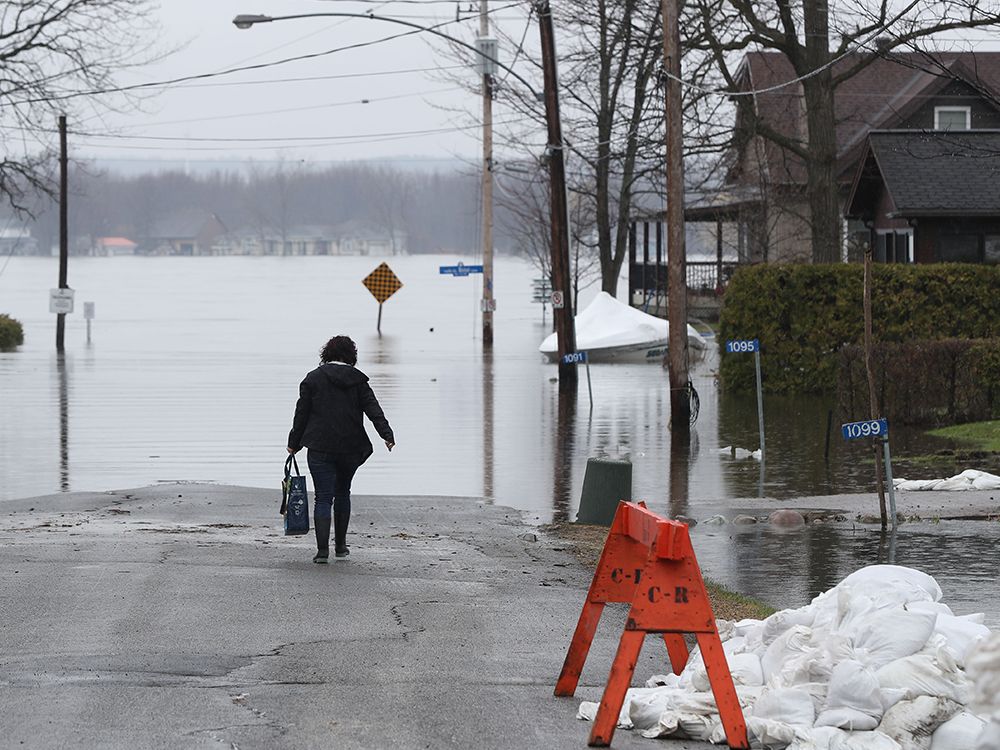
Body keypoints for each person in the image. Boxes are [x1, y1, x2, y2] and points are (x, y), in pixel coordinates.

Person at [287, 335, 395, 564]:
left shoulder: (313, 379)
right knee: (343, 492)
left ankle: (322, 552)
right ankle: (342, 547)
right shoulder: (358, 381)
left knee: (323, 498)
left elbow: (301, 415)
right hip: (350, 448)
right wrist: (386, 434)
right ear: (351, 356)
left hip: (319, 447)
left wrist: (293, 443)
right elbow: (374, 410)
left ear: (326, 353)